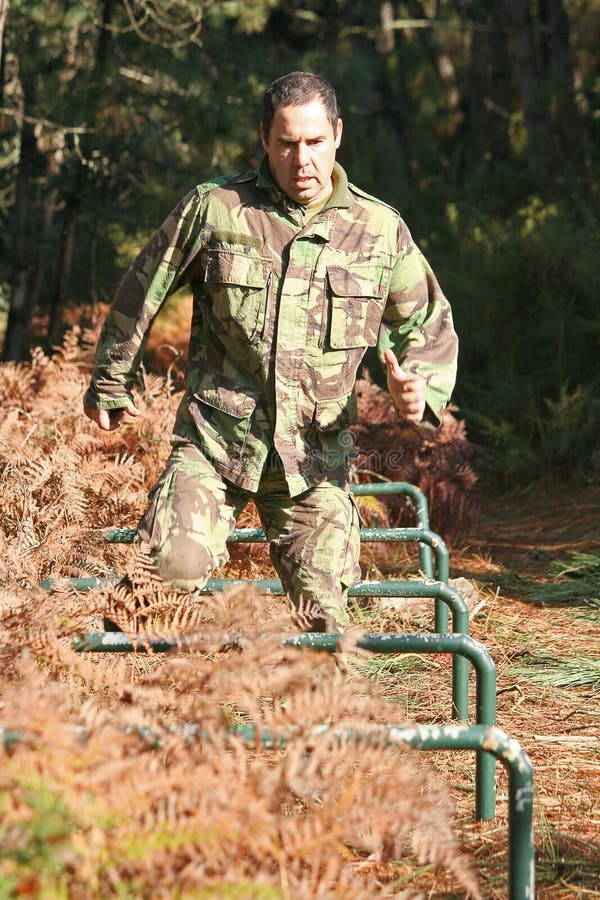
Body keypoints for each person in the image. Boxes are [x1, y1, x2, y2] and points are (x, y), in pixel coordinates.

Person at [84, 71, 458, 633]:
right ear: (265, 139)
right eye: (286, 143)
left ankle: (302, 716)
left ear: (337, 135)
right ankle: (115, 702)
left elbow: (427, 322)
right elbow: (144, 284)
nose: (301, 159)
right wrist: (112, 379)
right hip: (214, 446)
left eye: (313, 142)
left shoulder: (379, 231)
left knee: (325, 620)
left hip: (314, 464)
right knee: (164, 578)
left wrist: (418, 390)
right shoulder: (217, 209)